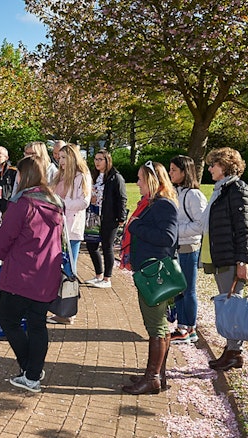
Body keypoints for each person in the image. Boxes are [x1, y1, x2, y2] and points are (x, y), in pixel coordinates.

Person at [0, 156, 64, 393]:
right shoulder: (56, 203)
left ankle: (30, 369)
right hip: (47, 274)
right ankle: (33, 372)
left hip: (21, 274)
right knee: (37, 325)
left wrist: (2, 254)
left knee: (8, 320)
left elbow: (4, 239)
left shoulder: (23, 204)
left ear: (24, 176)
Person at [120, 160, 179, 395]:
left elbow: (167, 237)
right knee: (159, 326)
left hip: (155, 273)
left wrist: (135, 227)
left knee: (156, 327)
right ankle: (157, 375)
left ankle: (152, 378)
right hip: (149, 270)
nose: (137, 183)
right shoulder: (154, 204)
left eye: (140, 179)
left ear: (152, 180)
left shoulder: (163, 205)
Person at [202, 147, 248, 371]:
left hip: (232, 258)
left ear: (224, 166)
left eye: (213, 165)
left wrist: (243, 260)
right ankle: (231, 350)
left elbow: (244, 228)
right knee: (229, 305)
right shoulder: (222, 190)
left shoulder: (237, 190)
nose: (209, 169)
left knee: (233, 306)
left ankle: (235, 353)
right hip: (222, 256)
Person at [47, 143, 91, 325]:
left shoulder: (82, 176)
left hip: (71, 229)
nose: (61, 160)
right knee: (55, 268)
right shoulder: (59, 175)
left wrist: (62, 202)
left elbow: (84, 202)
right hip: (55, 227)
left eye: (64, 157)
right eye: (60, 157)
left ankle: (68, 312)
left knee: (69, 270)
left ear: (73, 158)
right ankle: (58, 307)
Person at [168, 155, 208, 344]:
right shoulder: (175, 192)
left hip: (189, 247)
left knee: (188, 289)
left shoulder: (194, 195)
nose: (170, 173)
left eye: (174, 170)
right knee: (179, 288)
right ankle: (181, 327)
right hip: (176, 246)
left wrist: (175, 230)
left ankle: (189, 328)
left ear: (185, 172)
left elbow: (201, 224)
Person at [85, 150, 128, 288]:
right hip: (93, 216)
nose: (97, 162)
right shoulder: (93, 176)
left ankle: (107, 278)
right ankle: (98, 274)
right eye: (95, 159)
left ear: (107, 160)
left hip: (109, 217)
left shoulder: (115, 177)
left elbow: (122, 198)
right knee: (91, 245)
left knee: (107, 246)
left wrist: (121, 217)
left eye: (100, 159)